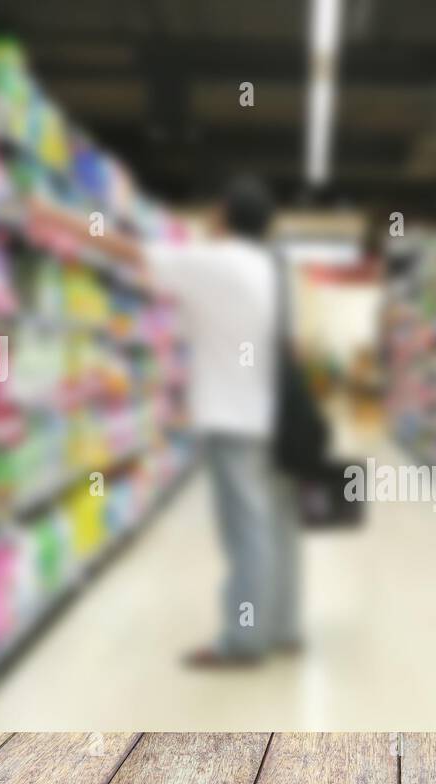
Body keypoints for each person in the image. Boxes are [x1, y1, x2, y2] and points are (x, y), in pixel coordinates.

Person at [147, 175, 301, 668]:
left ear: (226, 214)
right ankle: (283, 628)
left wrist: (52, 217)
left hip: (233, 417)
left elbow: (132, 253)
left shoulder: (217, 261)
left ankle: (244, 641)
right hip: (277, 416)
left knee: (246, 532)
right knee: (277, 526)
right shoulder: (273, 267)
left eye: (215, 210)